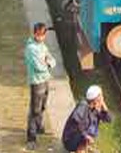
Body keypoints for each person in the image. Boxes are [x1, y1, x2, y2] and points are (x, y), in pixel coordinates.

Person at [24, 22, 56, 150]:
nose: (41, 37)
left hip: (45, 79)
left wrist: (47, 62)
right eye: (39, 35)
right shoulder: (31, 48)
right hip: (37, 82)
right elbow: (39, 67)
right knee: (34, 110)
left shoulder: (42, 46)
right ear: (34, 34)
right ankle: (31, 138)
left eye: (43, 35)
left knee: (42, 106)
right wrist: (47, 64)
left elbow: (51, 59)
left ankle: (39, 126)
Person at [61, 85, 112, 153]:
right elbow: (76, 124)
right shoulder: (83, 105)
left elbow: (109, 119)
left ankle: (83, 148)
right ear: (96, 98)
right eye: (101, 96)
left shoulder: (96, 108)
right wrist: (86, 136)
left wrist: (104, 106)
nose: (102, 98)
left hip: (82, 139)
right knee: (84, 133)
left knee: (89, 132)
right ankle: (81, 149)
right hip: (70, 140)